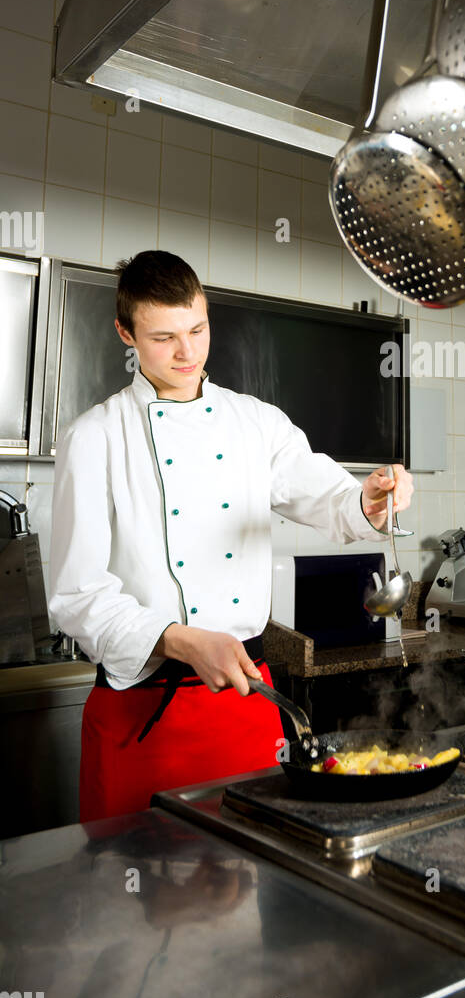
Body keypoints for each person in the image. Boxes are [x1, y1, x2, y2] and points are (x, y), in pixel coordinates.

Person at [48, 250, 413, 821]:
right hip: (143, 716)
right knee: (127, 897)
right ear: (126, 332)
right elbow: (78, 596)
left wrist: (368, 499)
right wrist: (181, 640)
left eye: (197, 329)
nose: (187, 352)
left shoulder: (255, 422)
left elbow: (332, 499)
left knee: (243, 887)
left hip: (247, 703)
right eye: (164, 337)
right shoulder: (94, 438)